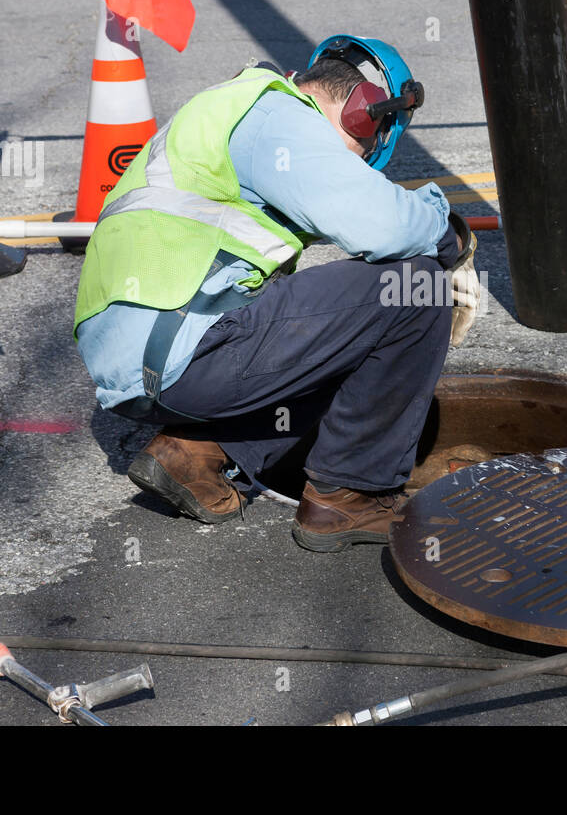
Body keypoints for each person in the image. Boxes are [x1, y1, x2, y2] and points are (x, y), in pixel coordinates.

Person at [73, 34, 479, 553]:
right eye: (373, 141)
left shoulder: (239, 108)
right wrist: (452, 240)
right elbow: (384, 227)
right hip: (177, 355)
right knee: (412, 285)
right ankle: (349, 495)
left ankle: (198, 449)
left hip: (149, 362)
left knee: (342, 332)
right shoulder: (278, 119)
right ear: (362, 113)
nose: (365, 158)